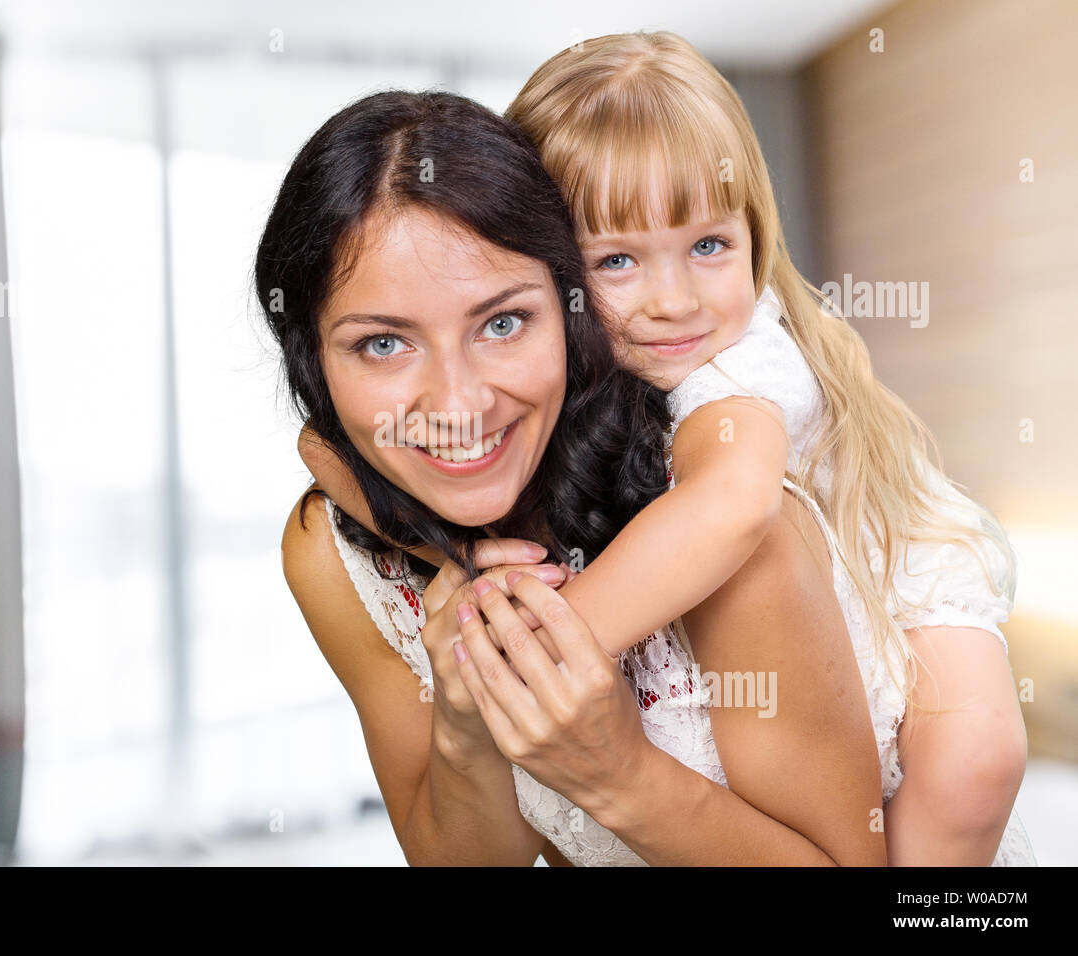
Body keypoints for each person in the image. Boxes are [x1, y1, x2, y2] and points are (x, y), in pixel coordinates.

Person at [262, 89, 889, 866]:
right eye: (384, 345)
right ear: (312, 361)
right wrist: (466, 730)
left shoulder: (719, 530)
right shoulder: (332, 548)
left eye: (503, 323)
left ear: (574, 309)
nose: (458, 403)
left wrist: (620, 774)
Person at [494, 30, 1032, 866]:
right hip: (840, 586)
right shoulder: (582, 387)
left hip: (911, 569)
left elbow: (731, 506)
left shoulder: (744, 365)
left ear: (754, 236)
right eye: (619, 260)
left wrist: (558, 642)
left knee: (975, 763)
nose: (675, 300)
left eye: (708, 246)